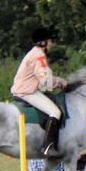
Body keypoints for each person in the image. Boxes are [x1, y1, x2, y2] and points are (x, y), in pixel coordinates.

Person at [11, 29, 69, 157]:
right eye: (50, 41)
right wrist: (58, 81)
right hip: (26, 91)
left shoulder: (34, 52)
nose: (51, 43)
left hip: (26, 88)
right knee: (56, 112)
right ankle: (48, 146)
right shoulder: (39, 55)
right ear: (43, 42)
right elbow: (46, 81)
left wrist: (55, 81)